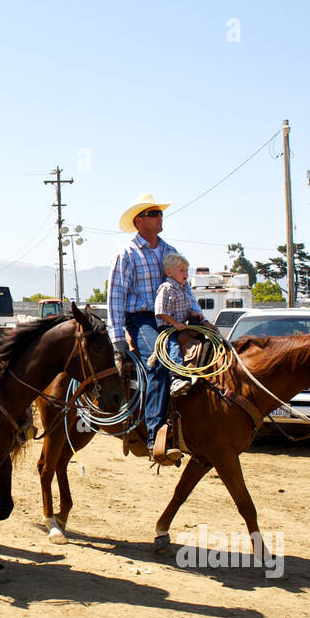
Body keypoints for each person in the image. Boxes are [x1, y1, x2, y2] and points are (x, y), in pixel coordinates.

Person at [107, 193, 183, 465]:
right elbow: (116, 297)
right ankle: (155, 436)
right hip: (141, 319)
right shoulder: (126, 253)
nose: (159, 217)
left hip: (171, 318)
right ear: (139, 221)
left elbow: (182, 286)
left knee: (205, 352)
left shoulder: (170, 252)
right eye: (153, 213)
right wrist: (118, 341)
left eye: (160, 213)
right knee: (159, 362)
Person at [154, 253, 212, 397]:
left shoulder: (184, 288)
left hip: (181, 325)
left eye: (186, 270)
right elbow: (160, 312)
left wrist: (194, 314)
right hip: (167, 328)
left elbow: (188, 307)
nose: (185, 273)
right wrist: (174, 323)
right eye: (181, 270)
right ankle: (176, 378)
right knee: (173, 346)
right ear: (169, 272)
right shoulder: (166, 288)